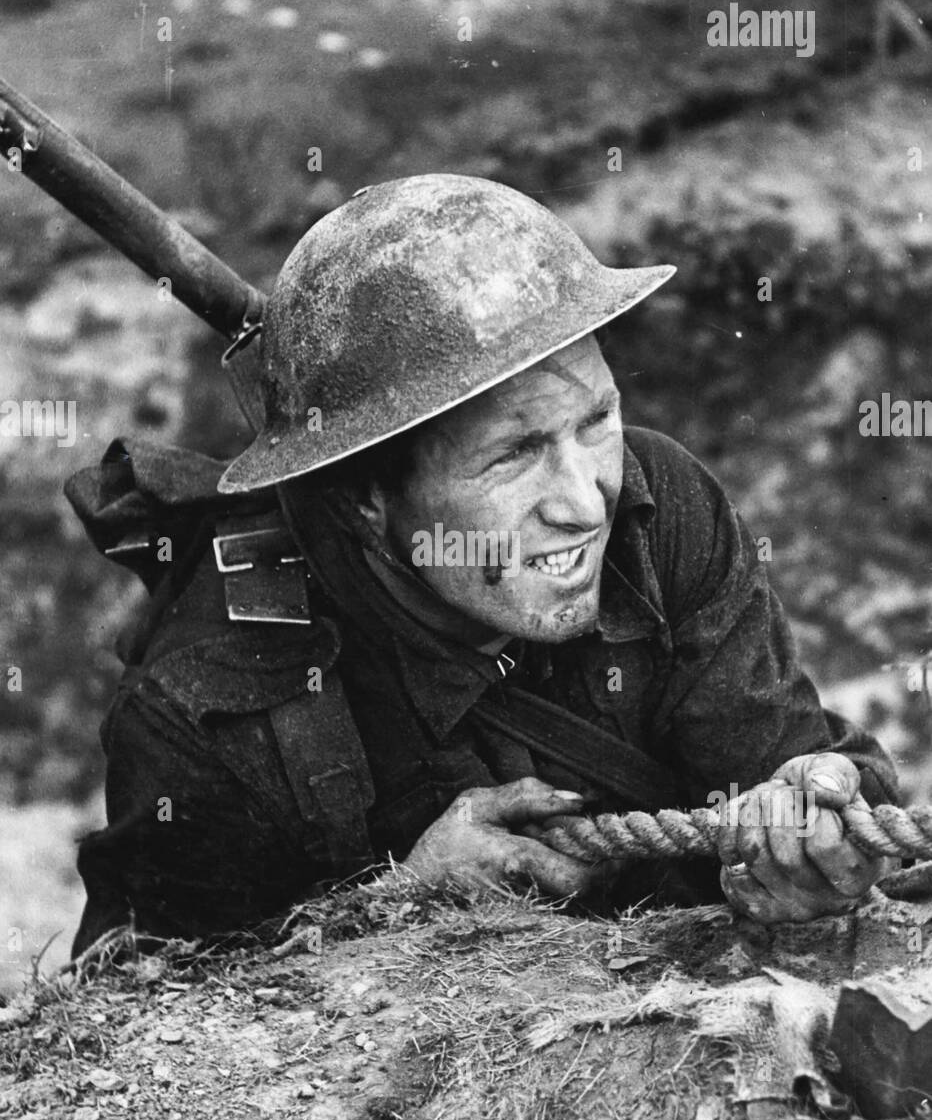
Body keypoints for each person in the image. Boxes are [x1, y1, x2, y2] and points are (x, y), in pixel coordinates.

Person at [66, 174, 899, 955]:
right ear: (366, 498)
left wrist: (824, 836)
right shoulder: (213, 709)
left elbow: (802, 782)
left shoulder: (659, 508)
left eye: (595, 420)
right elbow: (137, 1023)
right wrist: (391, 906)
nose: (584, 501)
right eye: (513, 456)